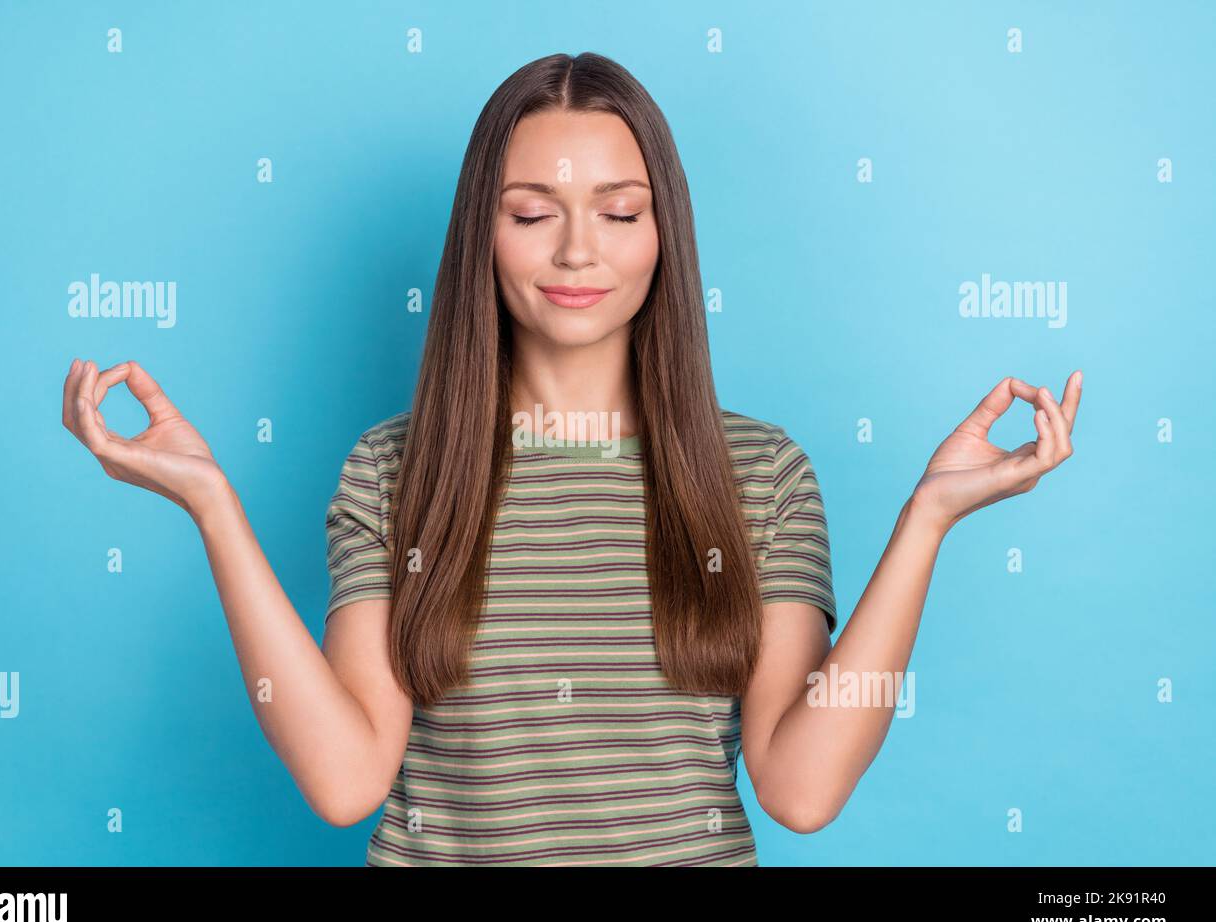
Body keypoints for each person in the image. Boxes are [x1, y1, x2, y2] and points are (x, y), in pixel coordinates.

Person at [60, 52, 1081, 866]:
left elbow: (800, 788)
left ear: (661, 234)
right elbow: (343, 780)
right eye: (533, 213)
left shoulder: (761, 474)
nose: (577, 252)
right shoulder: (390, 470)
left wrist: (927, 520)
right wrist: (214, 507)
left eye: (620, 211)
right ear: (483, 235)